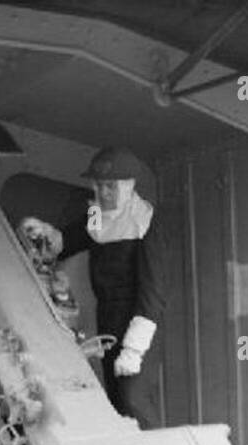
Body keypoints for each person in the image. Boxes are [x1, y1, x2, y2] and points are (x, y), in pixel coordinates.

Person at [23, 146, 169, 428]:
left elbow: (154, 293)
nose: (104, 194)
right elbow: (68, 240)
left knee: (133, 399)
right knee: (115, 400)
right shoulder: (97, 217)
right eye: (99, 186)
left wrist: (134, 350)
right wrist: (45, 233)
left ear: (128, 187)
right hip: (108, 319)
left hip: (139, 324)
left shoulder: (148, 223)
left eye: (111, 187)